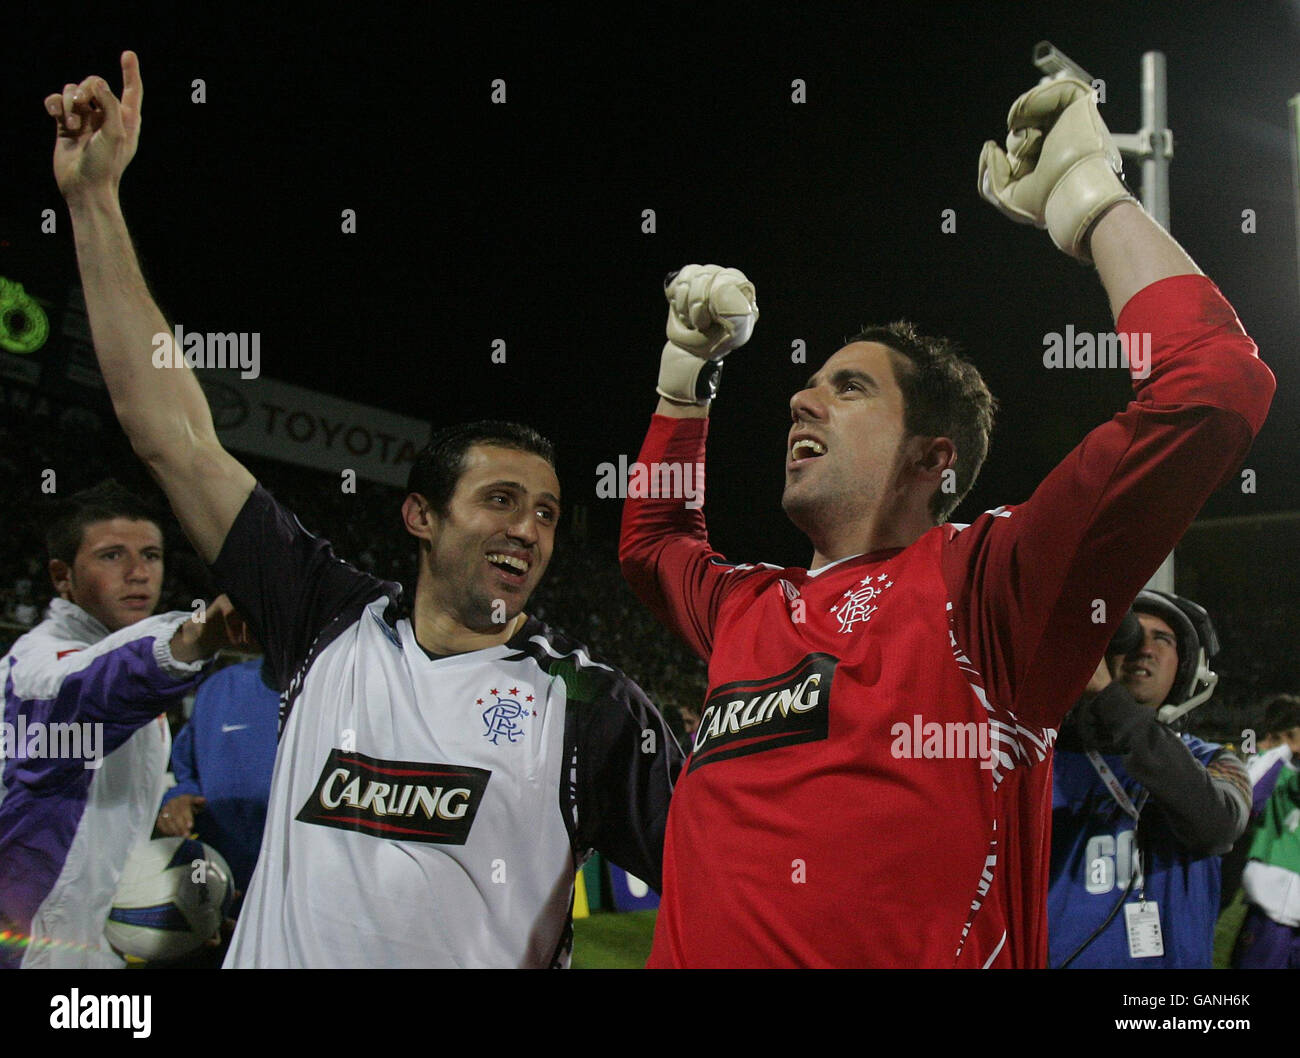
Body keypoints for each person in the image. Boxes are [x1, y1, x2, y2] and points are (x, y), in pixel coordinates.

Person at [44, 52, 681, 968]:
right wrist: (94, 200)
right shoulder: (322, 616)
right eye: (500, 500)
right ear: (420, 515)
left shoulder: (594, 708)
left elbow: (737, 880)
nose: (530, 530)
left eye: (546, 513)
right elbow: (172, 435)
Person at [619, 79, 1275, 966]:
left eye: (848, 387)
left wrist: (1091, 197)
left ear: (936, 459)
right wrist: (683, 376)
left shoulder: (989, 587)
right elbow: (654, 542)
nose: (801, 398)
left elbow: (1212, 382)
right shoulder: (746, 608)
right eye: (809, 385)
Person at [0, 481, 240, 968]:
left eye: (151, 555)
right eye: (112, 556)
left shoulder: (124, 657)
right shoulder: (36, 669)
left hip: (91, 948)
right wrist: (191, 643)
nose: (138, 573)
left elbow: (101, 787)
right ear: (62, 576)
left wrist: (193, 906)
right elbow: (86, 694)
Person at [1049, 591, 1249, 968]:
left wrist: (1110, 700)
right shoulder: (1045, 763)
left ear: (1186, 666)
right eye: (1128, 636)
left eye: (1163, 638)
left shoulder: (1216, 761)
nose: (1144, 648)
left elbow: (1217, 826)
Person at [155, 655, 280, 894]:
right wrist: (180, 800)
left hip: (306, 900)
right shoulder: (222, 687)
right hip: (217, 891)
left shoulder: (349, 693)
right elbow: (189, 773)